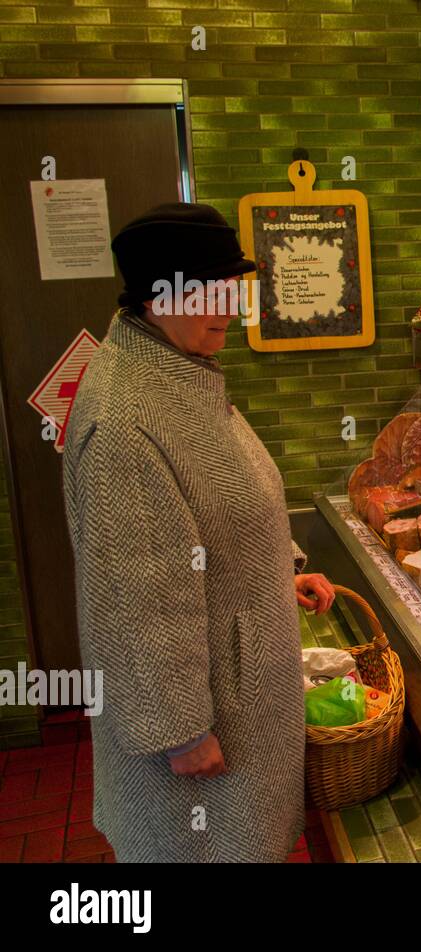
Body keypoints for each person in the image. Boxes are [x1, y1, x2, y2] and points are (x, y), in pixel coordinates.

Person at [62, 203, 337, 861]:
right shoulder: (126, 419)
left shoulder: (175, 367)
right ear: (158, 297)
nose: (230, 305)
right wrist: (177, 729)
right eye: (210, 288)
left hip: (238, 687)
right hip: (203, 728)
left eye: (232, 285)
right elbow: (136, 595)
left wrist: (275, 571)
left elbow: (215, 511)